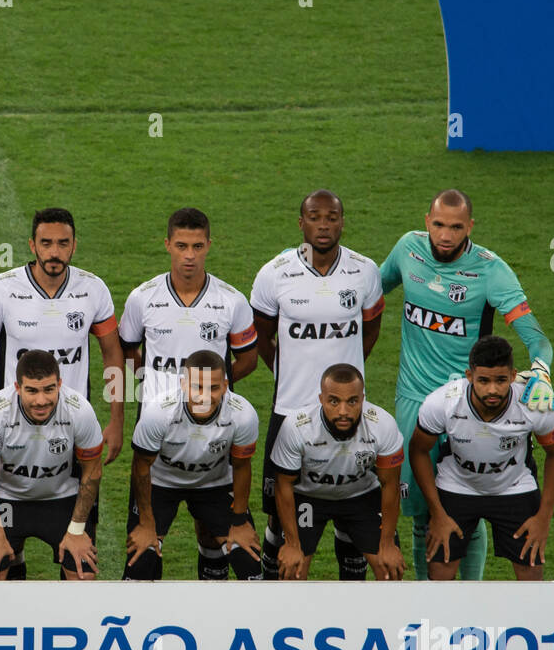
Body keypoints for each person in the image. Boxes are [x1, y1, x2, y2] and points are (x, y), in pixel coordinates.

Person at [380, 189, 554, 581]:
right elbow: (371, 294)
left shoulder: (491, 271)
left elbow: (536, 338)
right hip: (414, 401)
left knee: (470, 506)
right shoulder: (407, 251)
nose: (445, 235)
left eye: (456, 227)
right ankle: (429, 602)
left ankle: (470, 600)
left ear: (470, 227)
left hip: (471, 403)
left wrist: (541, 370)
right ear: (426, 220)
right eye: (439, 224)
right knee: (422, 515)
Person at [0, 207, 122, 579]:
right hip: (12, 427)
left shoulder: (93, 289)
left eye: (63, 243)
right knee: (1, 559)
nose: (54, 252)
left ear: (74, 245)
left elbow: (113, 354)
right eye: (46, 243)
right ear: (32, 245)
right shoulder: (1, 289)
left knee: (80, 560)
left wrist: (117, 419)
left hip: (70, 429)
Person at [250, 190, 386, 581]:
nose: (323, 225)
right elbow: (261, 333)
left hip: (349, 413)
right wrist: (283, 369)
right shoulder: (274, 273)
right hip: (290, 411)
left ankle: (350, 599)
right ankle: (272, 594)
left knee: (353, 506)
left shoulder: (364, 271)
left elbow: (371, 327)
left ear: (343, 222)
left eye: (331, 217)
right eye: (314, 217)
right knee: (280, 515)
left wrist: (349, 376)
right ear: (301, 223)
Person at [409, 336, 554, 581]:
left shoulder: (534, 404)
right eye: (483, 380)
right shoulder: (442, 403)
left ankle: (528, 619)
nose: (492, 389)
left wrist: (543, 517)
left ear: (513, 376)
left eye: (501, 380)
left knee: (531, 572)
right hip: (457, 484)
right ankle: (440, 620)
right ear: (469, 376)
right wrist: (437, 513)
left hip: (514, 487)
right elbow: (418, 451)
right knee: (440, 571)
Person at [125, 350, 261, 581]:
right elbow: (140, 467)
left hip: (215, 483)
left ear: (226, 386)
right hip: (161, 484)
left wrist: (239, 522)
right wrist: (147, 523)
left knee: (249, 561)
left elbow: (241, 466)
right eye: (197, 387)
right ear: (183, 384)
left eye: (213, 388)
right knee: (141, 559)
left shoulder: (243, 415)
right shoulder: (158, 413)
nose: (203, 396)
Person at [0, 349, 104, 581]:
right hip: (8, 498)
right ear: (17, 387)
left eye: (49, 389)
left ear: (60, 384)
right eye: (31, 390)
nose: (41, 400)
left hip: (61, 498)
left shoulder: (79, 410)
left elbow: (92, 470)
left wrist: (77, 530)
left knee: (83, 576)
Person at [270, 363, 405, 581]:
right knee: (293, 572)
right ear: (321, 399)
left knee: (390, 569)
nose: (343, 411)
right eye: (334, 401)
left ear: (362, 398)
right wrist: (293, 544)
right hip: (310, 499)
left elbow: (390, 484)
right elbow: (283, 484)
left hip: (360, 497)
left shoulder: (383, 425)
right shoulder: (296, 426)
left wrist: (387, 543)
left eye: (352, 401)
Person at [118, 207, 257, 406]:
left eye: (197, 246)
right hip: (155, 422)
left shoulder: (233, 301)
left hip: (212, 422)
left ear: (208, 246)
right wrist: (152, 378)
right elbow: (126, 350)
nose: (190, 255)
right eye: (181, 246)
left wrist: (211, 386)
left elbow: (249, 361)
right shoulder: (142, 298)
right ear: (168, 245)